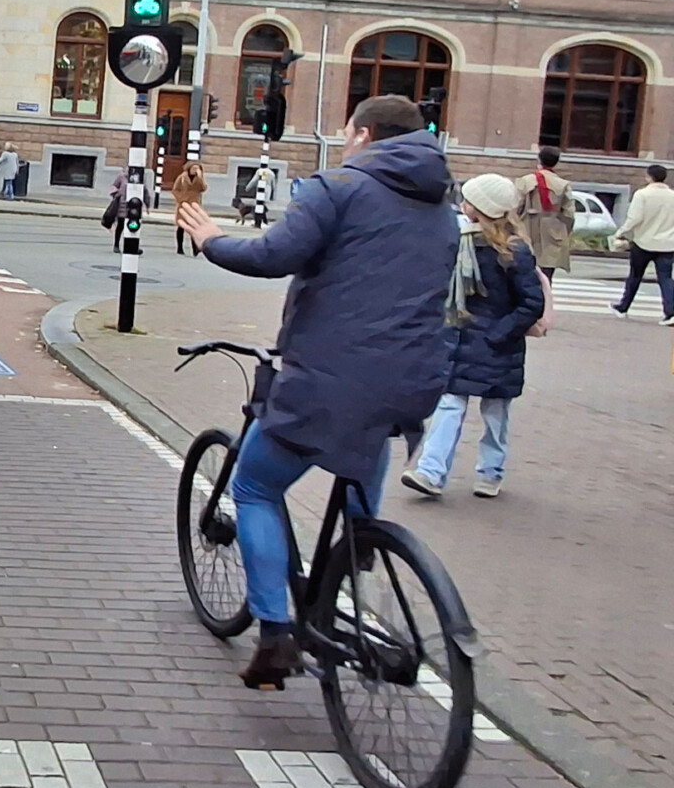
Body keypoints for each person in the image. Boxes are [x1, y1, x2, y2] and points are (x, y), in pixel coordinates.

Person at [176, 95, 458, 688]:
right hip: (412, 381)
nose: (344, 141)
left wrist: (211, 239)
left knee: (254, 487)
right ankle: (353, 549)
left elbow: (274, 255)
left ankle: (275, 634)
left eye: (347, 131)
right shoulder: (441, 203)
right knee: (365, 436)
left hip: (330, 377)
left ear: (364, 135)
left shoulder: (338, 186)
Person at [400, 174, 545, 500]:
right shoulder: (461, 241)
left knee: (495, 413)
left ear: (480, 208)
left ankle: (490, 472)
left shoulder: (513, 251)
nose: (463, 205)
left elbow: (531, 302)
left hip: (495, 345)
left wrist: (500, 334)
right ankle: (430, 472)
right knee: (451, 404)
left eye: (468, 200)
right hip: (463, 341)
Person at [611, 162, 674, 324]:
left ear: (649, 177)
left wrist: (621, 233)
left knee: (635, 276)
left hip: (643, 242)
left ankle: (623, 307)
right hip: (667, 243)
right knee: (665, 278)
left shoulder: (642, 195)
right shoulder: (672, 196)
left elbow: (634, 218)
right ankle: (670, 312)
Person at [514, 147, 574, 276]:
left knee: (524, 272)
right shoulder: (563, 184)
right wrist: (564, 232)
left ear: (539, 159)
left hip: (527, 230)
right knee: (546, 274)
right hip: (553, 233)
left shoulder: (525, 181)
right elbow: (569, 214)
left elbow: (516, 207)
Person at [170, 161, 209, 256]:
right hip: (184, 204)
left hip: (194, 205)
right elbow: (175, 190)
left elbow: (203, 188)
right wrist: (181, 199)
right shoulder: (182, 177)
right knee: (181, 226)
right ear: (189, 169)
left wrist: (200, 177)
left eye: (197, 168)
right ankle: (180, 248)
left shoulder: (199, 179)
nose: (195, 170)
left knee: (193, 227)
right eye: (194, 168)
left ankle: (195, 249)